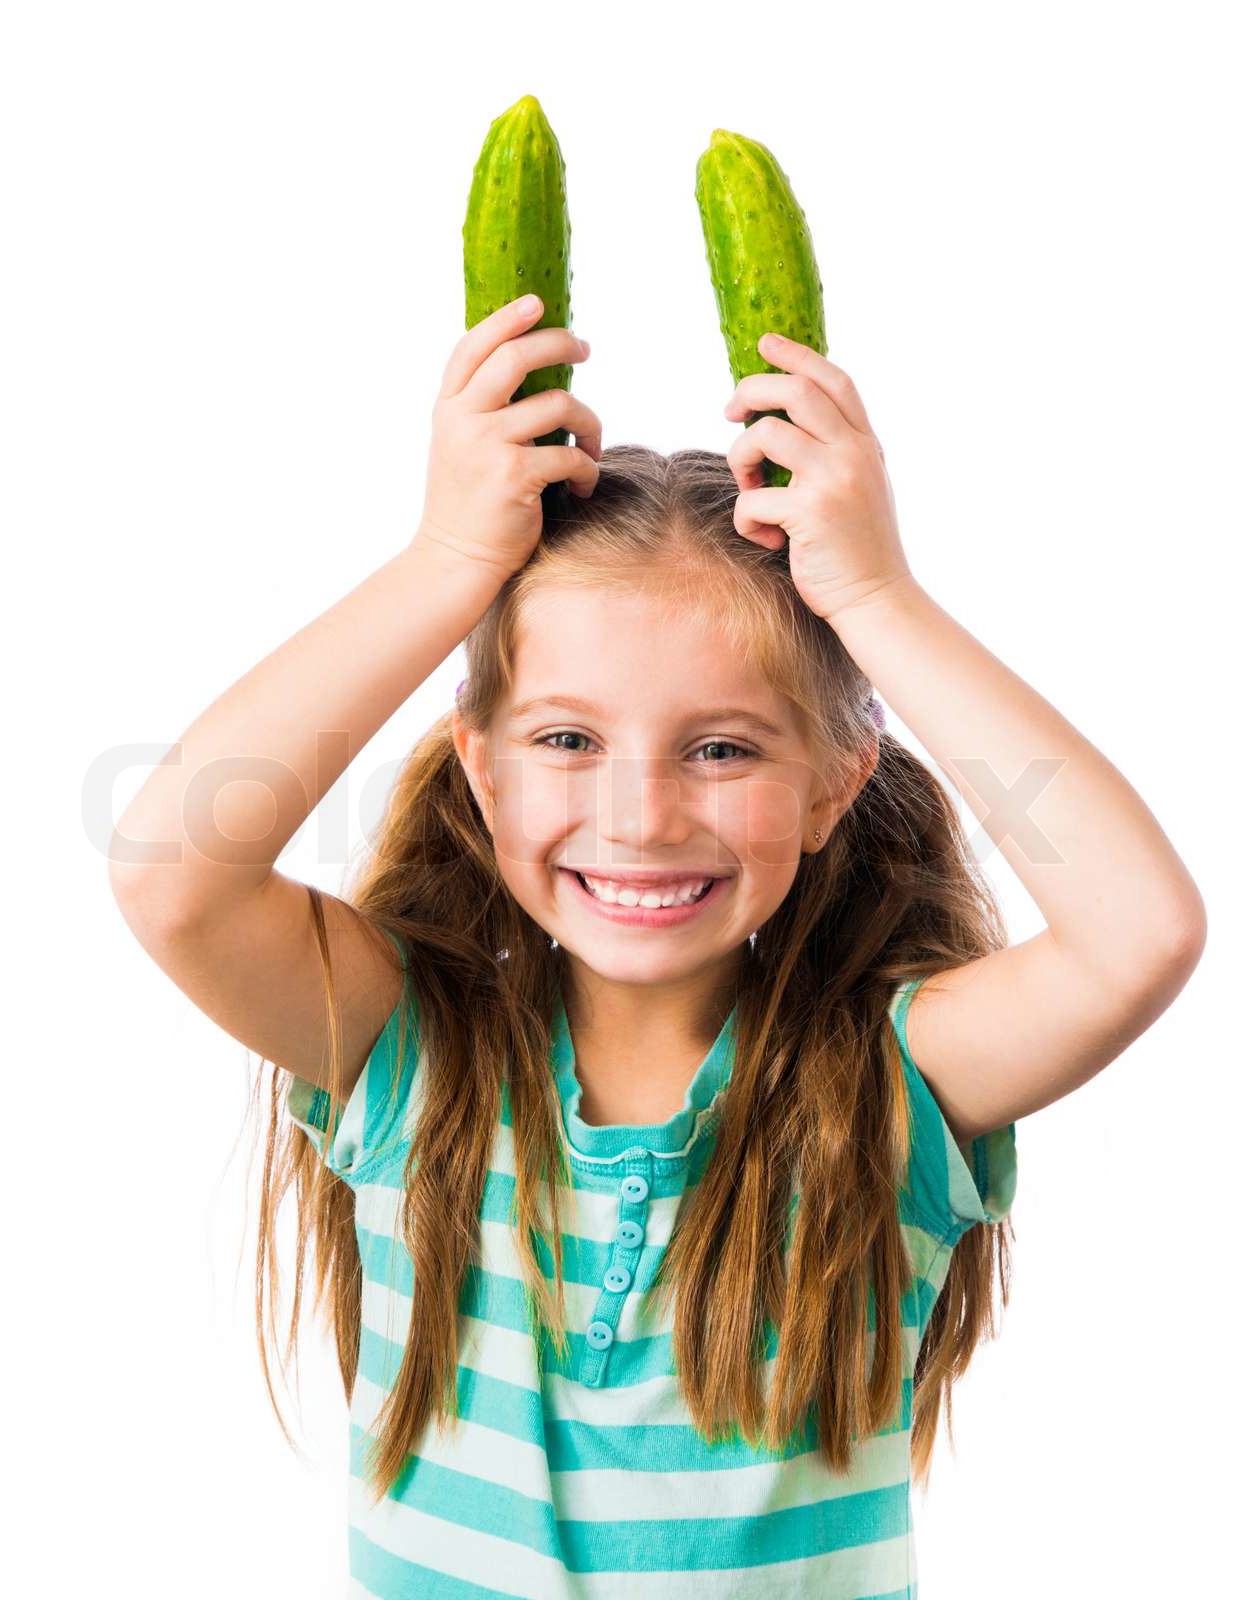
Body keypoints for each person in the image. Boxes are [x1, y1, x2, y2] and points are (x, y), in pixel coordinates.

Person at [108, 290, 1207, 1597]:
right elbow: (175, 877)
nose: (638, 817)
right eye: (566, 740)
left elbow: (1139, 934)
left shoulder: (890, 1084)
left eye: (724, 747)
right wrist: (445, 563)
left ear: (830, 787)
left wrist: (873, 594)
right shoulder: (415, 1054)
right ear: (484, 773)